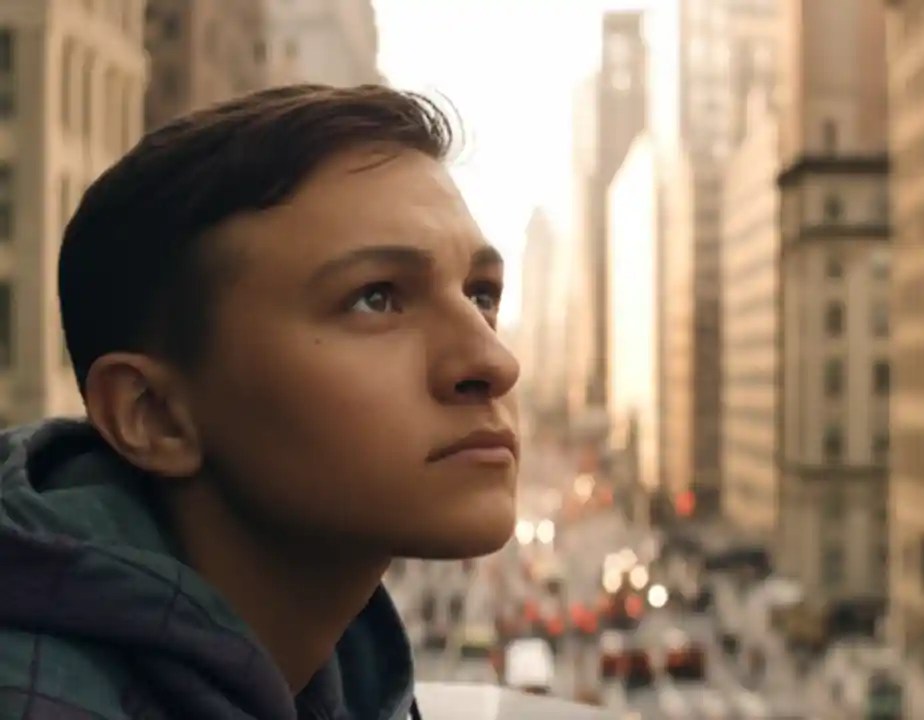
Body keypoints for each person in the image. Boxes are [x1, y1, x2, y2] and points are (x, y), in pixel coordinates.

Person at [0, 85, 610, 719]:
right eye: (376, 298)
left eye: (481, 296)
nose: (494, 362)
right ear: (153, 414)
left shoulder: (338, 671)